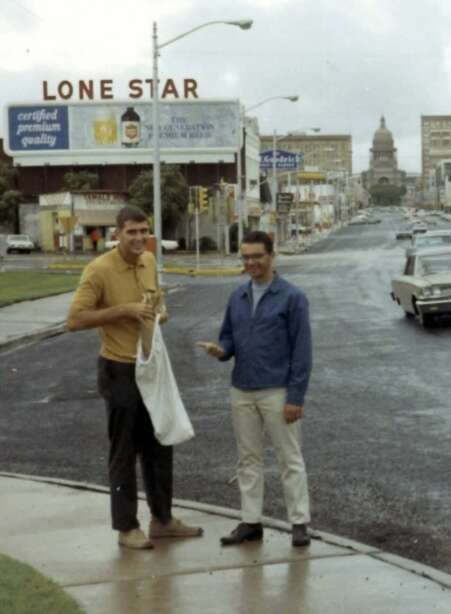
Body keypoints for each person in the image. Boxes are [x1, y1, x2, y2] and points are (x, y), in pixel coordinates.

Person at [66, 205, 203, 550]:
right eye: (132, 232)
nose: (140, 238)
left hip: (151, 363)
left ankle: (163, 520)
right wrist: (125, 310)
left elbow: (155, 304)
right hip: (119, 369)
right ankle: (127, 528)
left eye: (144, 231)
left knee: (161, 443)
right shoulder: (99, 270)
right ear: (117, 234)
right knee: (124, 451)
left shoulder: (149, 261)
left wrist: (158, 313)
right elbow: (75, 319)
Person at [198, 230, 313, 548]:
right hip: (242, 389)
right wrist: (221, 350)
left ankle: (299, 523)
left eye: (257, 256)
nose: (251, 263)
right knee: (248, 459)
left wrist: (295, 397)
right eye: (246, 257)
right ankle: (250, 522)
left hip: (278, 391)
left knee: (289, 459)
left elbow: (302, 352)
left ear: (271, 256)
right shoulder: (238, 296)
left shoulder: (292, 297)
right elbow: (229, 338)